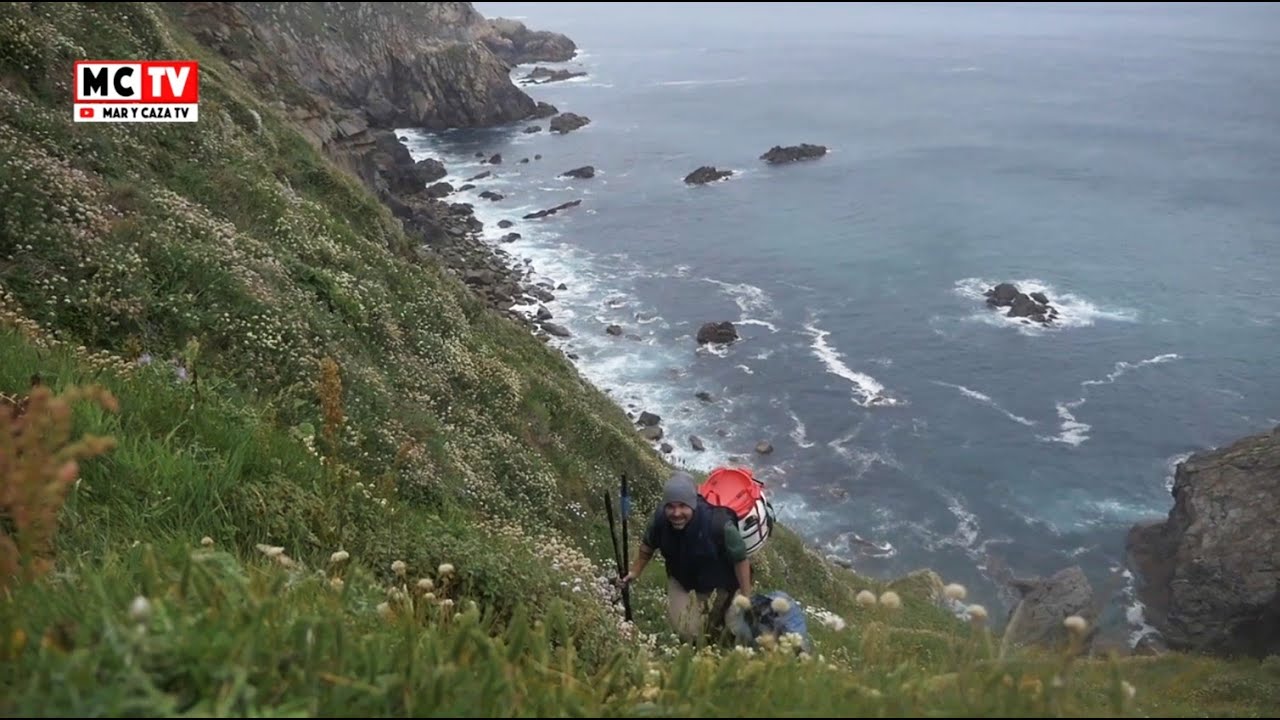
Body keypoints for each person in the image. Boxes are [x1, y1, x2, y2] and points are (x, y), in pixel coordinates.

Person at [619, 470, 752, 644]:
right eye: (670, 506)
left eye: (683, 506)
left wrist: (746, 595)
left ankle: (720, 641)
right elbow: (647, 548)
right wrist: (634, 572)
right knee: (686, 632)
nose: (676, 513)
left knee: (727, 628)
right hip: (682, 579)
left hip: (721, 582)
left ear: (693, 505)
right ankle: (698, 650)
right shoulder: (660, 521)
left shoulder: (719, 525)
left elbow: (740, 559)